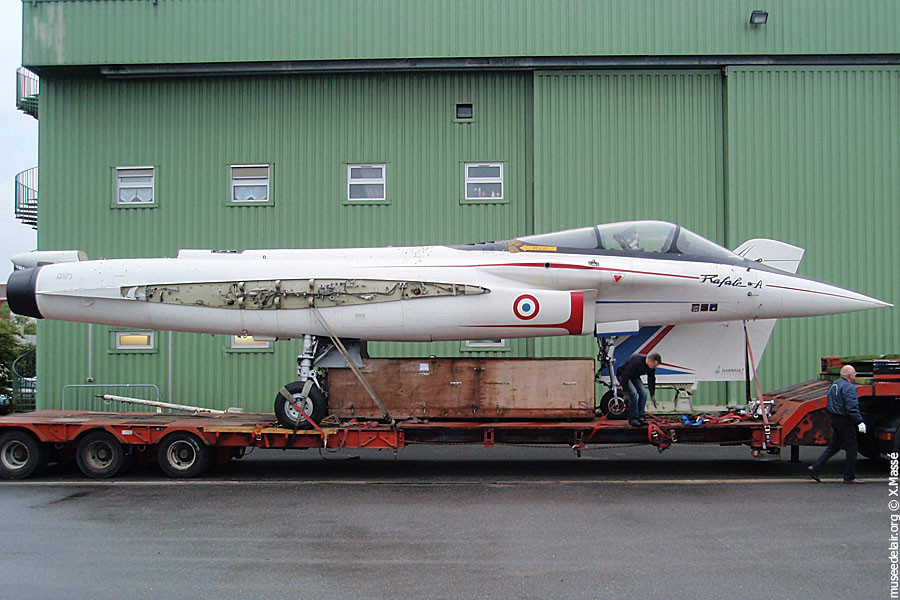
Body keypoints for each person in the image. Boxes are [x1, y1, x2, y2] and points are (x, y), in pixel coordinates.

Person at [809, 365, 866, 484]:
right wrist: (859, 421)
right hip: (844, 421)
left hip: (834, 419)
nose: (855, 376)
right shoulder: (849, 388)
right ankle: (849, 476)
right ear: (850, 376)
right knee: (852, 447)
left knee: (834, 446)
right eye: (854, 374)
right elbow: (851, 407)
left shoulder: (834, 385)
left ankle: (816, 467)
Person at [616, 352, 661, 426]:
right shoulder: (636, 360)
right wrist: (626, 393)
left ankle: (641, 417)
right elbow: (625, 376)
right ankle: (633, 418)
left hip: (634, 375)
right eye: (654, 366)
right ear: (649, 360)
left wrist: (652, 394)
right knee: (633, 393)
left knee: (644, 392)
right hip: (623, 375)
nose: (655, 368)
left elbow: (651, 379)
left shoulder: (651, 367)